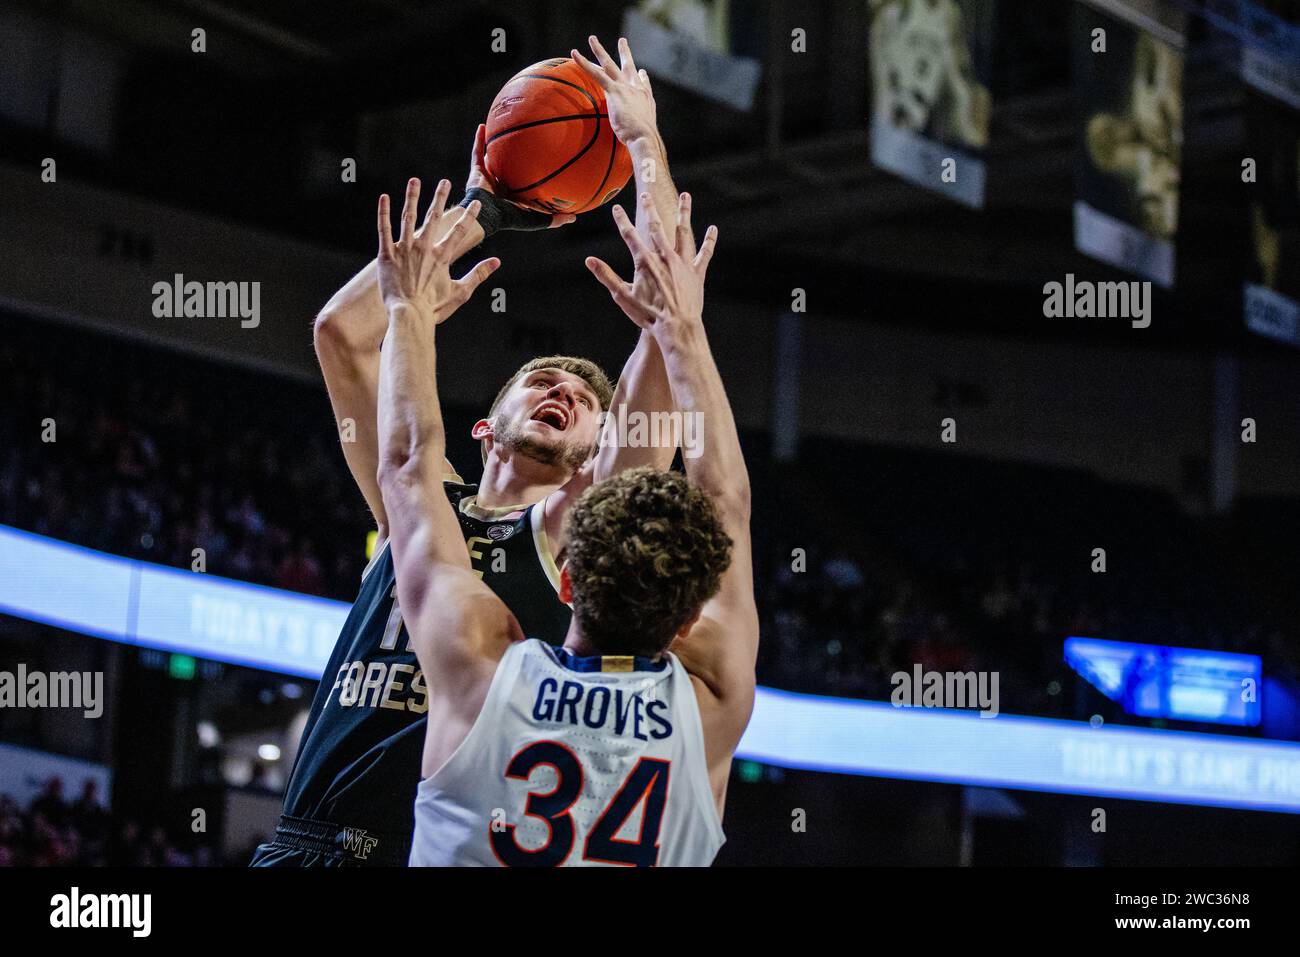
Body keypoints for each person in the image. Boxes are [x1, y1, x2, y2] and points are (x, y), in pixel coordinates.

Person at [252, 35, 690, 866]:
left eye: (589, 400)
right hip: (298, 848)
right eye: (543, 381)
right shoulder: (414, 509)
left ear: (599, 457)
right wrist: (489, 204)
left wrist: (645, 147)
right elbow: (342, 337)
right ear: (484, 426)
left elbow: (668, 352)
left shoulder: (577, 541)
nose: (566, 390)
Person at [372, 174, 758, 866]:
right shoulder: (709, 711)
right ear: (686, 623)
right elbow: (726, 498)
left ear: (567, 581)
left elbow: (405, 465)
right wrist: (683, 328)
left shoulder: (481, 666)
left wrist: (405, 309)